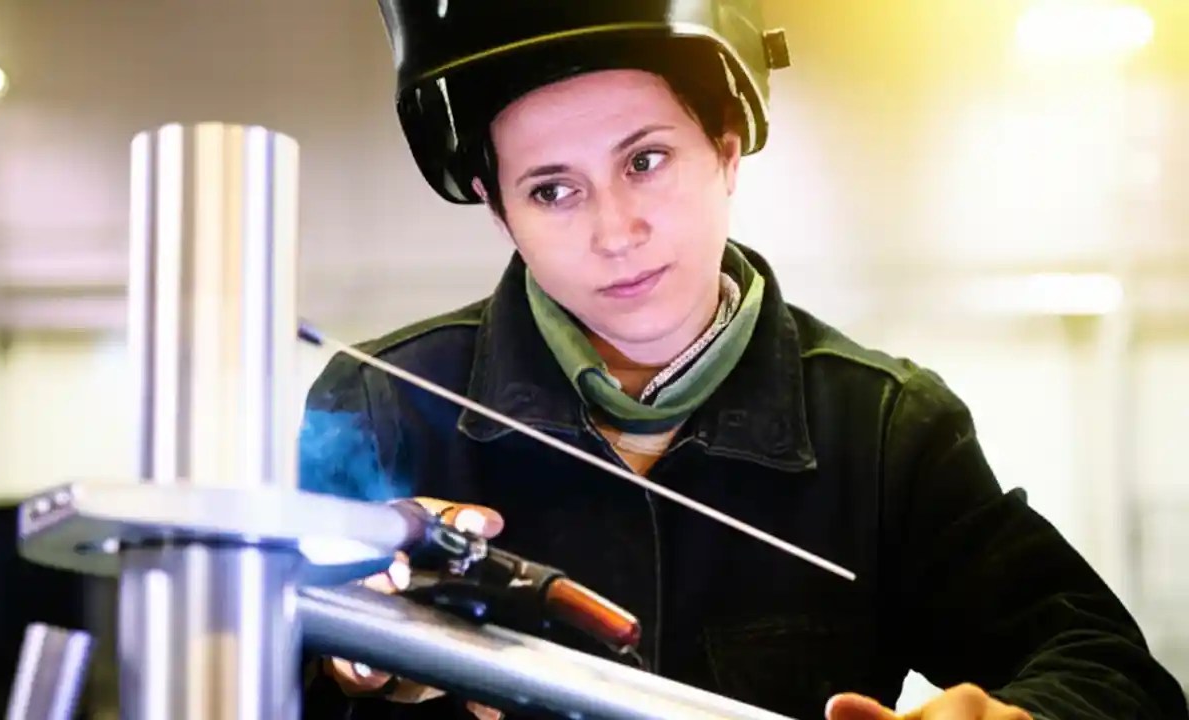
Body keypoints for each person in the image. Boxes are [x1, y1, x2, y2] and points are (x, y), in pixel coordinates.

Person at [299, 2, 1189, 718]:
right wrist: (343, 662)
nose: (616, 231)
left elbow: (1109, 671)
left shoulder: (883, 429)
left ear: (726, 151)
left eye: (646, 160)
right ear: (499, 211)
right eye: (553, 190)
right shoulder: (383, 407)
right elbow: (220, 671)